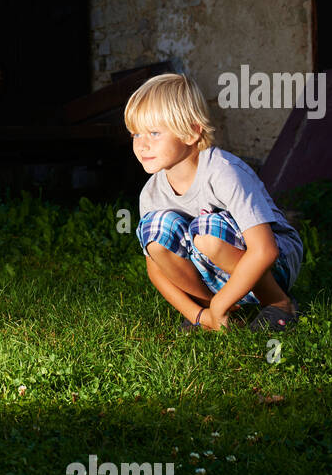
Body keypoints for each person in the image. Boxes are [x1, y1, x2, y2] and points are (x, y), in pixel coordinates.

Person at [125, 73, 304, 332]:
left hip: (274, 261)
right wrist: (200, 314)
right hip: (216, 272)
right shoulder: (151, 194)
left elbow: (265, 250)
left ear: (192, 132)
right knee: (155, 229)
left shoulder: (223, 171)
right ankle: (221, 315)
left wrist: (221, 301)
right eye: (135, 134)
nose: (142, 145)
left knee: (207, 232)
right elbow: (155, 269)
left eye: (153, 132)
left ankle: (278, 302)